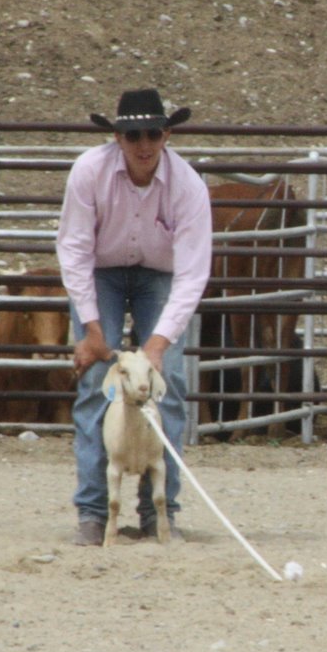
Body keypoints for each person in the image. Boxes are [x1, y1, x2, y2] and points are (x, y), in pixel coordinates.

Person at [57, 88, 213, 546]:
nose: (144, 145)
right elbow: (74, 249)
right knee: (96, 382)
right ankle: (93, 512)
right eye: (132, 136)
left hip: (160, 275)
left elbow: (193, 271)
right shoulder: (90, 171)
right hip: (101, 271)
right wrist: (93, 331)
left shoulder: (188, 186)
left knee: (169, 381)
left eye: (152, 135)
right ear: (117, 138)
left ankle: (159, 512)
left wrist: (158, 346)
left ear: (167, 136)